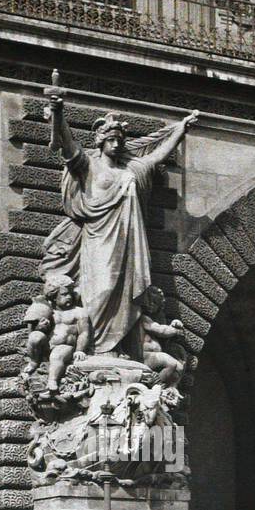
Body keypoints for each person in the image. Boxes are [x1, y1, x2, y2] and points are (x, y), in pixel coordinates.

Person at [44, 88, 199, 360]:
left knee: (127, 296)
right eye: (111, 139)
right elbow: (67, 146)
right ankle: (93, 348)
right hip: (98, 241)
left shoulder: (132, 170)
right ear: (101, 141)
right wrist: (58, 112)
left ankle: (119, 349)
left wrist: (181, 130)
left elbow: (157, 156)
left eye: (119, 140)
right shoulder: (89, 166)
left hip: (129, 245)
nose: (116, 144)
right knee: (101, 290)